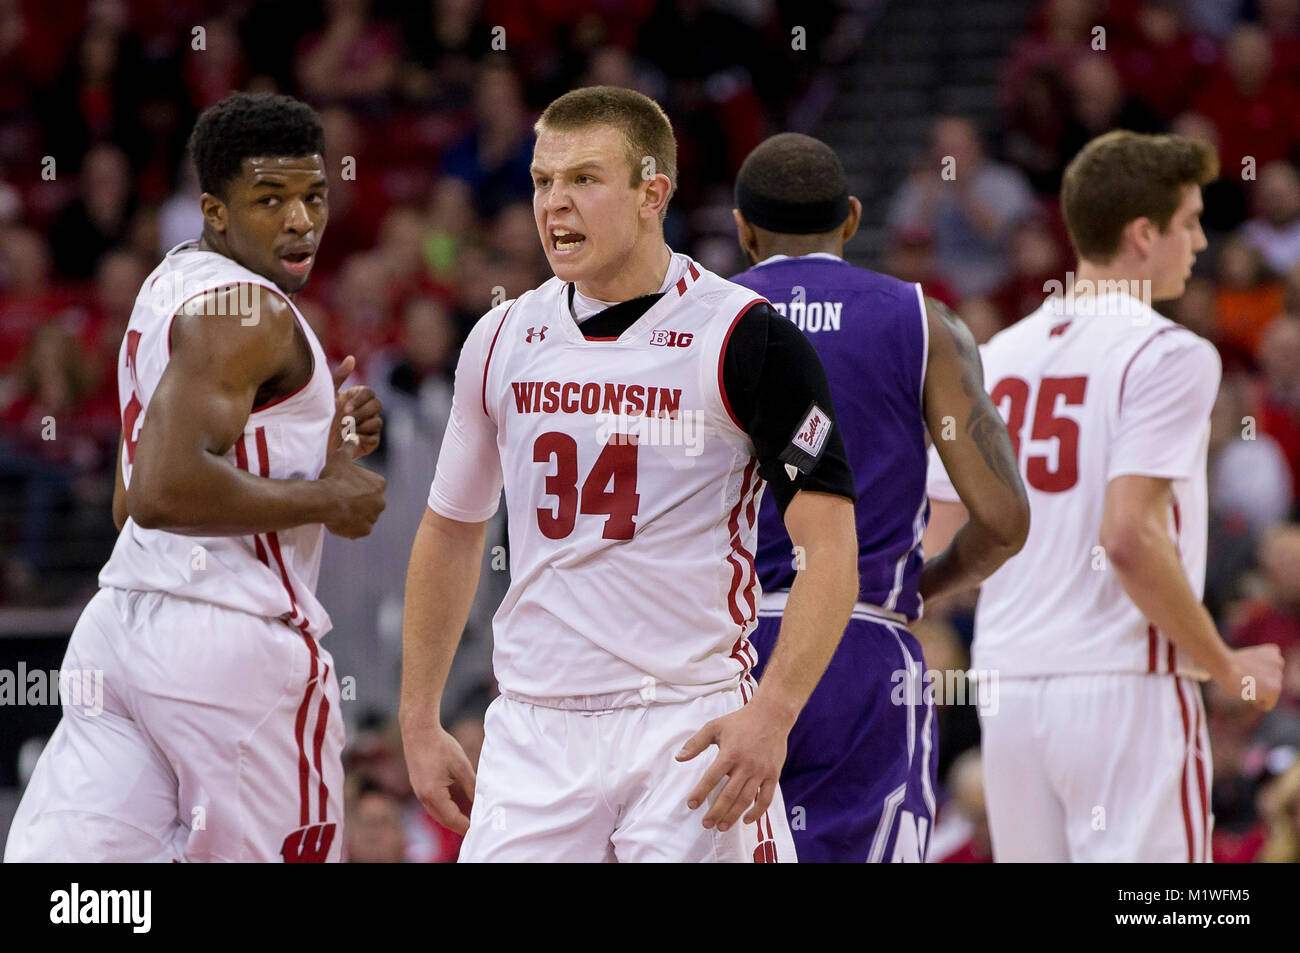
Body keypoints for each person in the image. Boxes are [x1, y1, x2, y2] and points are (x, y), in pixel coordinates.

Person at [399, 86, 860, 863]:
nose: (555, 205)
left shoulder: (746, 338)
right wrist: (418, 713)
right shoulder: (501, 335)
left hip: (685, 720)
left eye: (584, 179)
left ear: (653, 193)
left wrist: (773, 715)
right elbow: (451, 525)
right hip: (535, 728)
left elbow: (830, 548)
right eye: (544, 182)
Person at [4, 92, 387, 863]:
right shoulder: (250, 312)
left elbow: (130, 500)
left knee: (80, 897)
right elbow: (162, 489)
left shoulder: (167, 289)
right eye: (269, 199)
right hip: (230, 647)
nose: (300, 220)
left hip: (122, 630)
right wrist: (328, 496)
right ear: (214, 209)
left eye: (313, 196)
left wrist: (318, 442)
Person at [924, 130, 1285, 862]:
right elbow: (1127, 539)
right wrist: (1225, 664)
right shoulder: (1171, 352)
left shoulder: (992, 356)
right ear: (1143, 232)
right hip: (1126, 686)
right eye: (1188, 221)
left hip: (1011, 687)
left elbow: (939, 532)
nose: (1199, 240)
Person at [729, 133, 1029, 862]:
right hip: (861, 647)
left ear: (742, 229)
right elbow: (1004, 518)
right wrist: (921, 585)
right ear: (854, 219)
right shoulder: (923, 322)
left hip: (718, 647)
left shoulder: (698, 319)